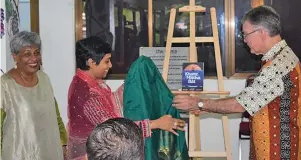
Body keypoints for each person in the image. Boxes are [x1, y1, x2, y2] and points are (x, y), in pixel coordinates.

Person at [173, 5, 301, 160]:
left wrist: (200, 103)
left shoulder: (277, 66)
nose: (244, 40)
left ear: (261, 33)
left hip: (279, 150)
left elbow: (241, 104)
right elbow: (255, 100)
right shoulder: (284, 55)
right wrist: (210, 107)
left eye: (246, 34)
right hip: (282, 144)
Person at [67, 36, 186, 160]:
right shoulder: (87, 94)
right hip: (90, 155)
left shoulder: (89, 82)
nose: (110, 65)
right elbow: (116, 132)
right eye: (107, 61)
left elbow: (111, 102)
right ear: (91, 62)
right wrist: (156, 124)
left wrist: (135, 83)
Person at [0, 31, 68, 159]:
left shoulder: (44, 79)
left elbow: (55, 114)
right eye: (27, 54)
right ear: (15, 57)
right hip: (19, 154)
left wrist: (63, 143)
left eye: (37, 53)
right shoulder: (4, 85)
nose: (34, 58)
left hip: (50, 152)